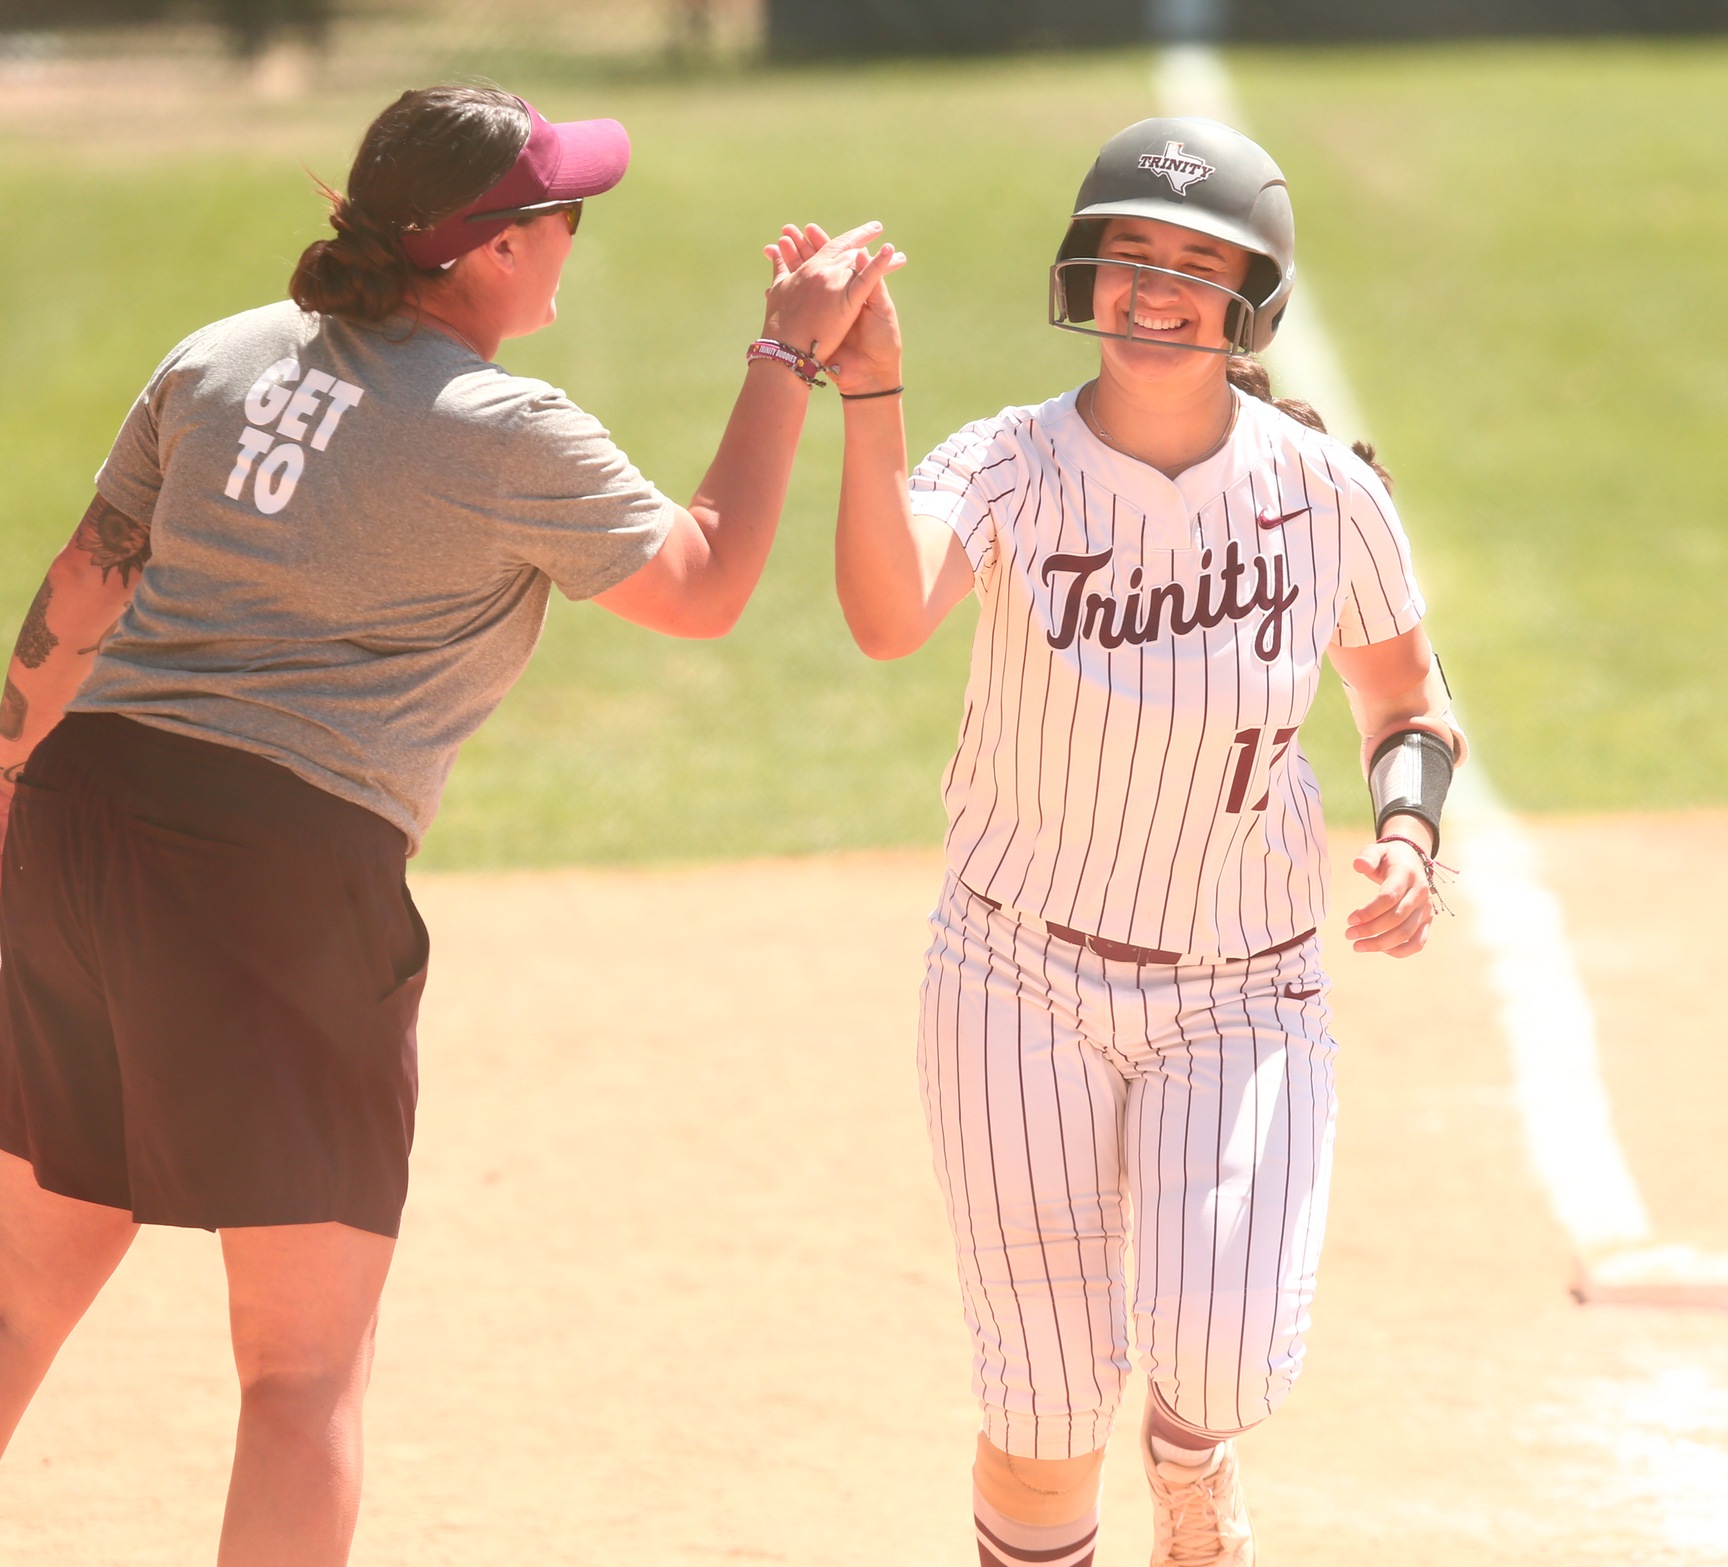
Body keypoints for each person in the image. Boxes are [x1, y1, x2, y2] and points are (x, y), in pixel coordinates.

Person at [0, 84, 899, 1564]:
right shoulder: (499, 425)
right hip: (279, 869)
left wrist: (8, 801)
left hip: (81, 813)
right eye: (564, 214)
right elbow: (706, 583)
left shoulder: (220, 353)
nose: (576, 235)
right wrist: (786, 353)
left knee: (20, 1290)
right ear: (491, 250)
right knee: (301, 1371)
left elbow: (88, 583)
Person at [822, 117, 1466, 1567]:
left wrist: (1412, 837)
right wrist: (870, 396)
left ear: (1253, 298)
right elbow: (885, 617)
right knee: (1043, 1399)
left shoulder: (1326, 495)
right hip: (1011, 974)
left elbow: (1407, 702)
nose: (1157, 287)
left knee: (1225, 1355)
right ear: (1085, 270)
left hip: (1244, 987)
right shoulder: (1006, 465)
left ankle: (1191, 1452)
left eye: (1196, 261)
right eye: (1131, 252)